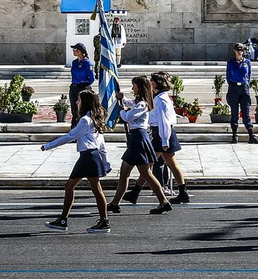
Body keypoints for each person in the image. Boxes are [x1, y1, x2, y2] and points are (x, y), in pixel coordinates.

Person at [41, 89, 112, 234]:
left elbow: (69, 136)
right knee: (75, 187)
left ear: (84, 102)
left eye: (79, 100)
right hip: (90, 156)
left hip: (88, 157)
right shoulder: (94, 118)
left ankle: (103, 221)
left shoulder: (85, 121)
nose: (77, 102)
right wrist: (106, 162)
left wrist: (48, 146)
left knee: (91, 189)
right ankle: (63, 220)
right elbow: (102, 144)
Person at [123, 71, 190, 205]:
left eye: (152, 81)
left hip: (161, 133)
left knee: (147, 165)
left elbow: (164, 120)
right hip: (160, 133)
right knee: (170, 164)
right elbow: (138, 104)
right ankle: (183, 192)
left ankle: (136, 191)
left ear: (157, 83)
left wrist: (164, 140)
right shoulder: (157, 97)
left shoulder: (161, 99)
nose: (150, 82)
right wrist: (124, 100)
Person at [106, 76, 170, 215]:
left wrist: (121, 109)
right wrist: (122, 99)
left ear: (139, 87)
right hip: (135, 138)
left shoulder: (143, 104)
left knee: (146, 173)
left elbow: (128, 117)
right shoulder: (138, 102)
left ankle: (163, 201)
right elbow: (129, 102)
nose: (132, 88)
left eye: (134, 86)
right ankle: (115, 203)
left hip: (139, 139)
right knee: (124, 173)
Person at [225, 43, 257, 145]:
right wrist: (233, 85)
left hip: (244, 89)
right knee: (234, 114)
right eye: (238, 49)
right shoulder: (230, 62)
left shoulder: (247, 62)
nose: (240, 51)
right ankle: (234, 135)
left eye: (241, 50)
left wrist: (246, 85)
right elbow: (228, 76)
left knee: (246, 113)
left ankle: (251, 135)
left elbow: (249, 75)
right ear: (234, 51)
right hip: (234, 88)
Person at [68, 43, 95, 128]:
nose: (73, 51)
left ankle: (82, 126)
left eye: (75, 50)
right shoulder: (74, 62)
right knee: (74, 108)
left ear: (79, 51)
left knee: (82, 108)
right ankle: (74, 125)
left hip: (83, 87)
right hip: (74, 87)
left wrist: (85, 86)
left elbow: (92, 78)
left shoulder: (87, 63)